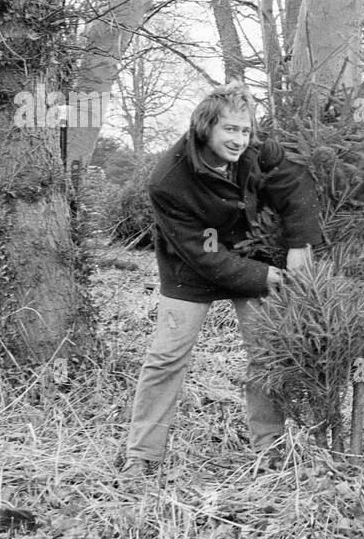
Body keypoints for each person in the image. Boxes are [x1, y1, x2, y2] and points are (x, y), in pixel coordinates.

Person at [121, 83, 322, 479]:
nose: (239, 140)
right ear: (205, 128)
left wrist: (300, 243)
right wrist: (266, 275)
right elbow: (201, 253)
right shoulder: (168, 180)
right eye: (230, 130)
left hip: (252, 256)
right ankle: (142, 455)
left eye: (245, 131)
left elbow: (295, 181)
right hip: (190, 273)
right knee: (166, 358)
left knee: (266, 355)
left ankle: (270, 449)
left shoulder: (256, 151)